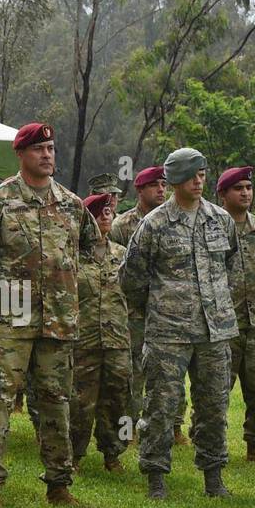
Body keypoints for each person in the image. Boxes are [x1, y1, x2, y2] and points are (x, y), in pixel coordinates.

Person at [0, 121, 101, 508]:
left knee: (55, 402)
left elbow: (89, 247)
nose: (47, 155)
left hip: (57, 320)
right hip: (7, 317)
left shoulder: (71, 204)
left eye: (50, 148)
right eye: (38, 149)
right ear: (21, 155)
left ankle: (59, 485)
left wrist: (65, 282)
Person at [120, 148, 239, 500]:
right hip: (168, 333)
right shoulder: (154, 224)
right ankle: (156, 478)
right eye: (191, 175)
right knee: (161, 405)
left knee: (214, 405)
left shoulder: (221, 220)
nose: (198, 180)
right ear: (174, 180)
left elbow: (228, 266)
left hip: (215, 331)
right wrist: (161, 308)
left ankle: (214, 479)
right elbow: (131, 279)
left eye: (202, 173)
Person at [215, 166, 255, 463]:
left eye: (248, 188)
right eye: (238, 188)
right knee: (216, 390)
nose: (245, 193)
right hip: (222, 324)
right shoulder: (211, 228)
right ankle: (213, 445)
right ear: (222, 194)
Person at [69, 193, 131, 472]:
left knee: (118, 397)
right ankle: (73, 454)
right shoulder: (72, 256)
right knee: (80, 400)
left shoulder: (123, 254)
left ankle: (113, 452)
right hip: (84, 339)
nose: (106, 216)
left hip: (118, 339)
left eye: (108, 211)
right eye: (98, 212)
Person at [109, 165, 170, 438]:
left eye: (164, 185)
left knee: (167, 371)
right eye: (154, 185)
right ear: (140, 190)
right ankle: (129, 426)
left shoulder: (170, 221)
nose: (161, 190)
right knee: (133, 371)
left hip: (165, 311)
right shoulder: (121, 226)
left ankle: (169, 425)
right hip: (132, 312)